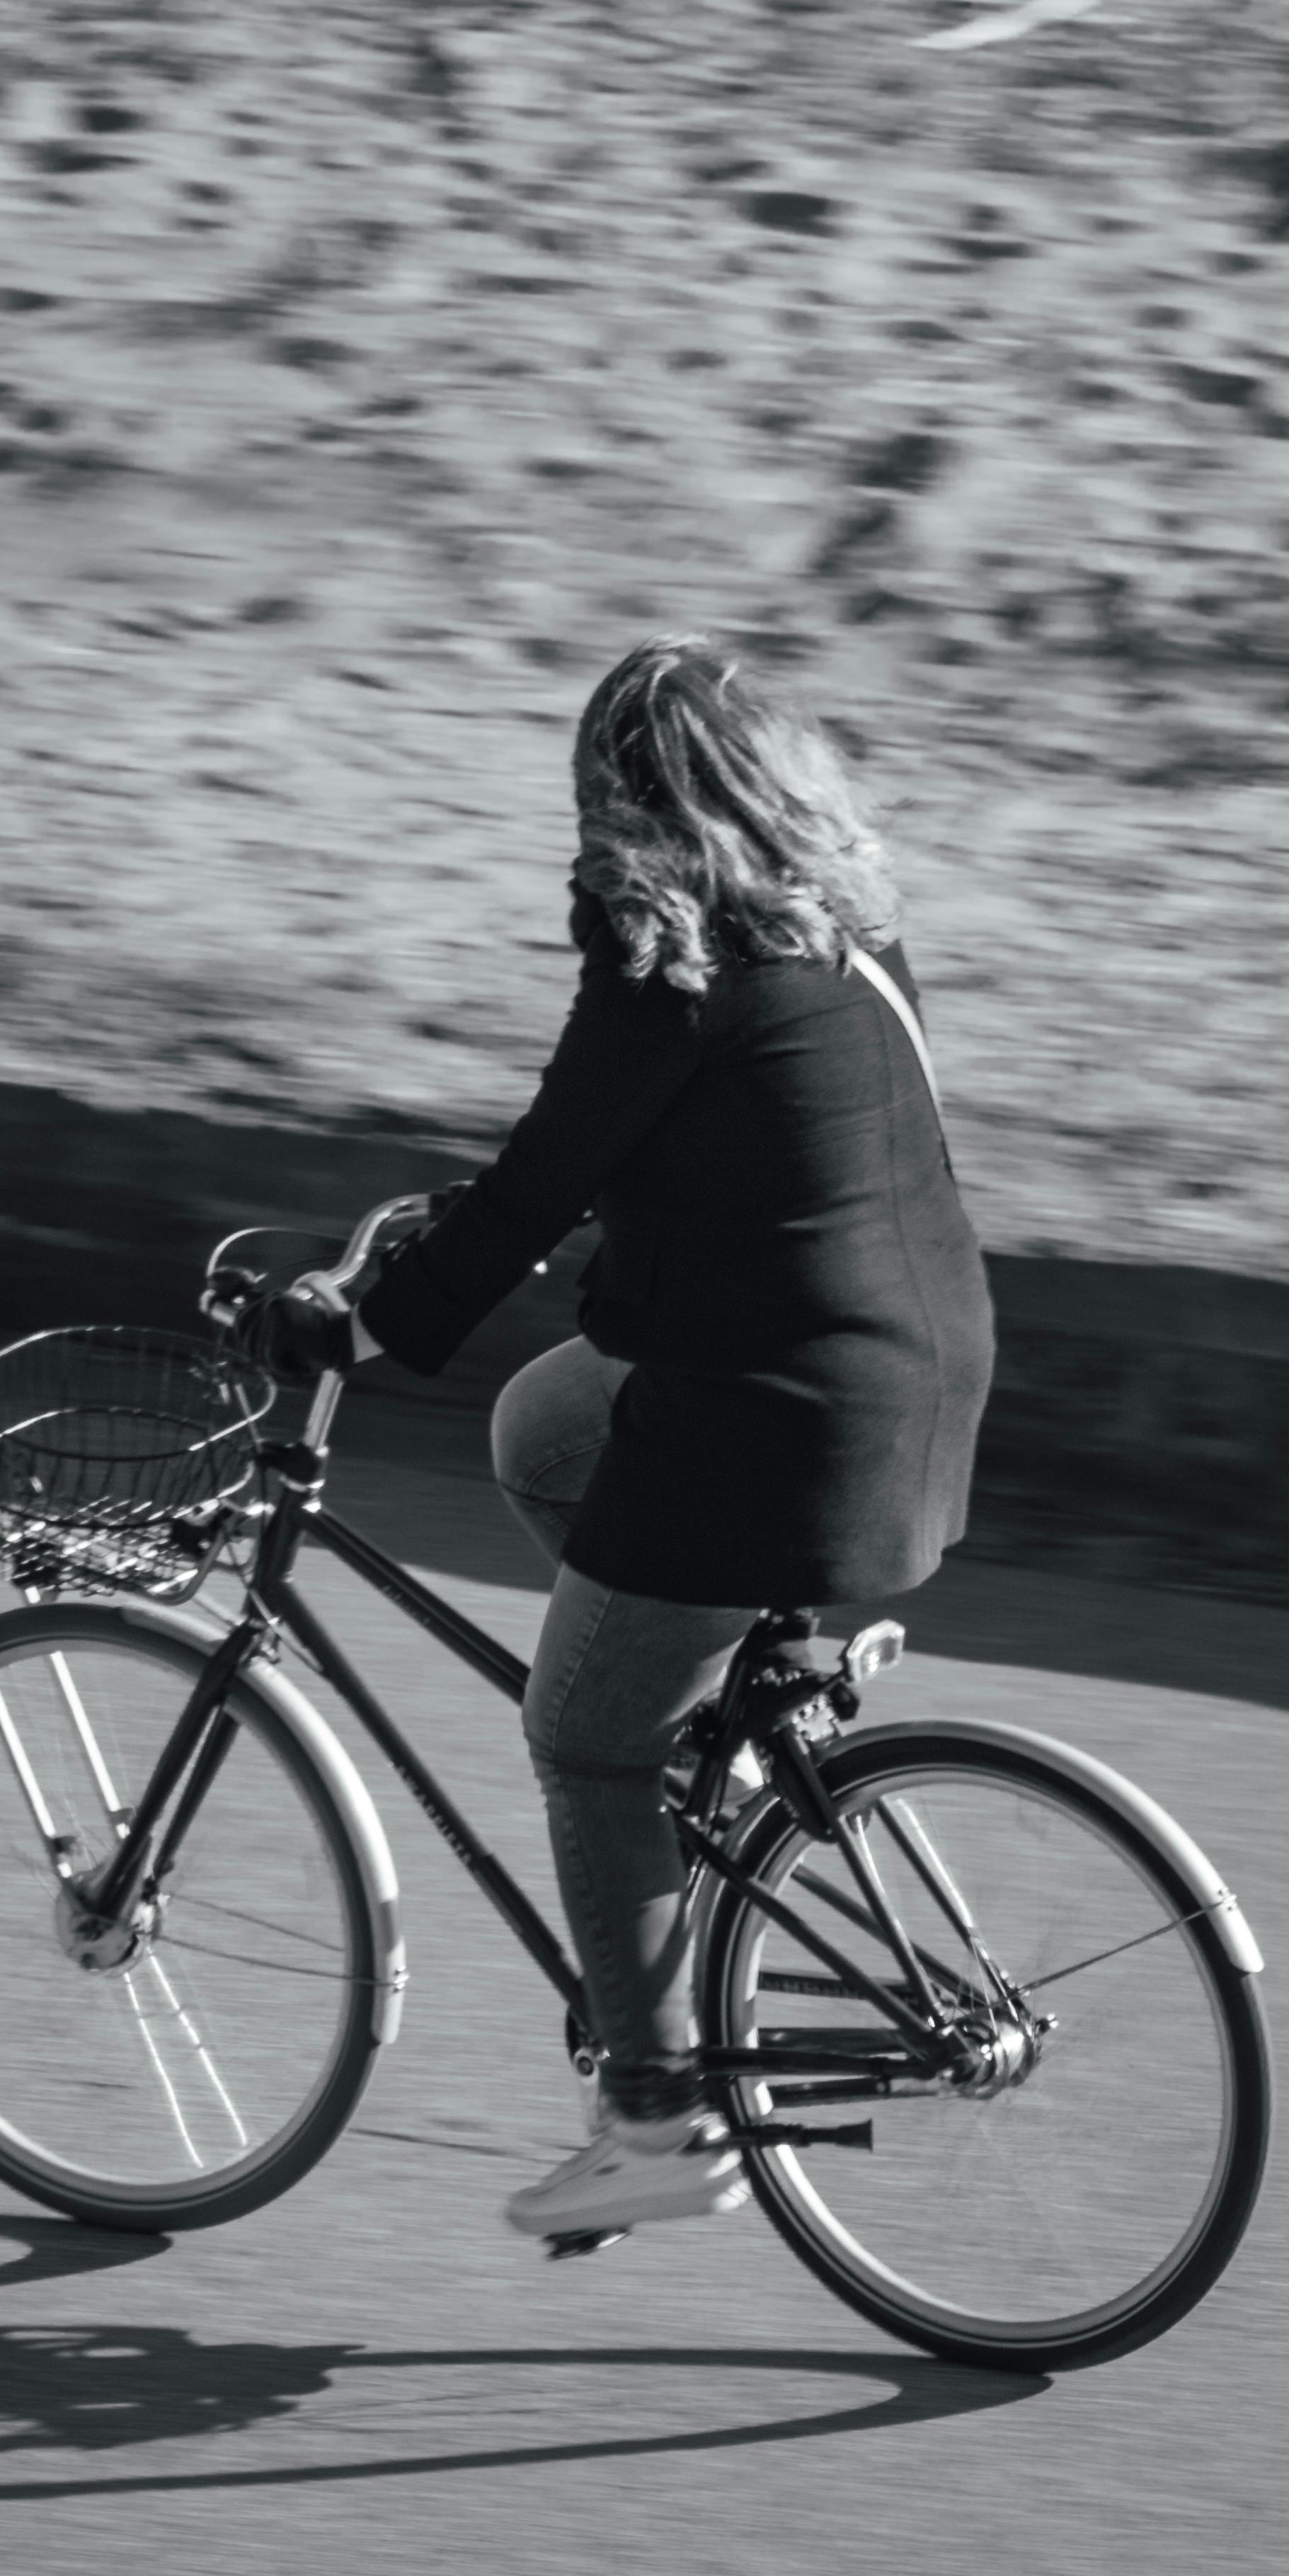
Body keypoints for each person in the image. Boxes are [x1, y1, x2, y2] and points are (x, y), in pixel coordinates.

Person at [299, 636, 996, 2242]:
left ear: (623, 801)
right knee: (545, 1418)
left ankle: (654, 2114)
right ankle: (737, 1723)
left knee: (575, 1736)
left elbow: (541, 1174)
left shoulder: (660, 970)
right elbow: (778, 1181)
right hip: (921, 1391)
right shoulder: (848, 936)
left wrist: (356, 1319)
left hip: (778, 1424)